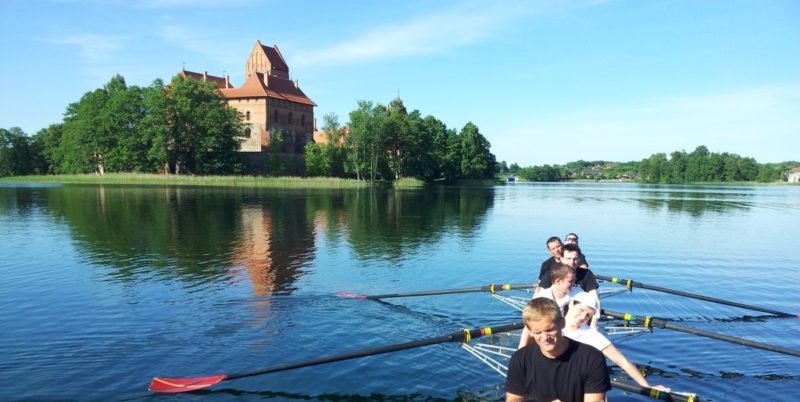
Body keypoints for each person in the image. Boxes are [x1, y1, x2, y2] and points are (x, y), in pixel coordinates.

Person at [506, 298, 611, 402]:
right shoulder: (519, 359)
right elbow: (513, 399)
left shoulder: (592, 358)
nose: (544, 337)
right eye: (537, 332)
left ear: (562, 323)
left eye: (549, 330)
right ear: (529, 331)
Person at [564, 292, 671, 393]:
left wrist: (647, 387)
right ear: (571, 304)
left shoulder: (591, 335)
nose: (583, 317)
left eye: (588, 315)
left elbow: (621, 360)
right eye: (581, 310)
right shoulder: (551, 324)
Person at [518, 263, 582, 349]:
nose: (574, 284)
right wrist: (522, 347)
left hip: (569, 334)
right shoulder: (541, 297)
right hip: (547, 334)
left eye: (574, 280)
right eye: (570, 281)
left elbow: (592, 304)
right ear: (558, 281)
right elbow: (530, 324)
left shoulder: (578, 293)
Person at [541, 243, 601, 328]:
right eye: (568, 258)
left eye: (575, 259)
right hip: (555, 315)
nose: (572, 262)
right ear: (561, 259)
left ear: (579, 259)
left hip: (580, 317)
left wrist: (594, 324)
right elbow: (539, 297)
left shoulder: (587, 274)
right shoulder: (550, 274)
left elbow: (595, 300)